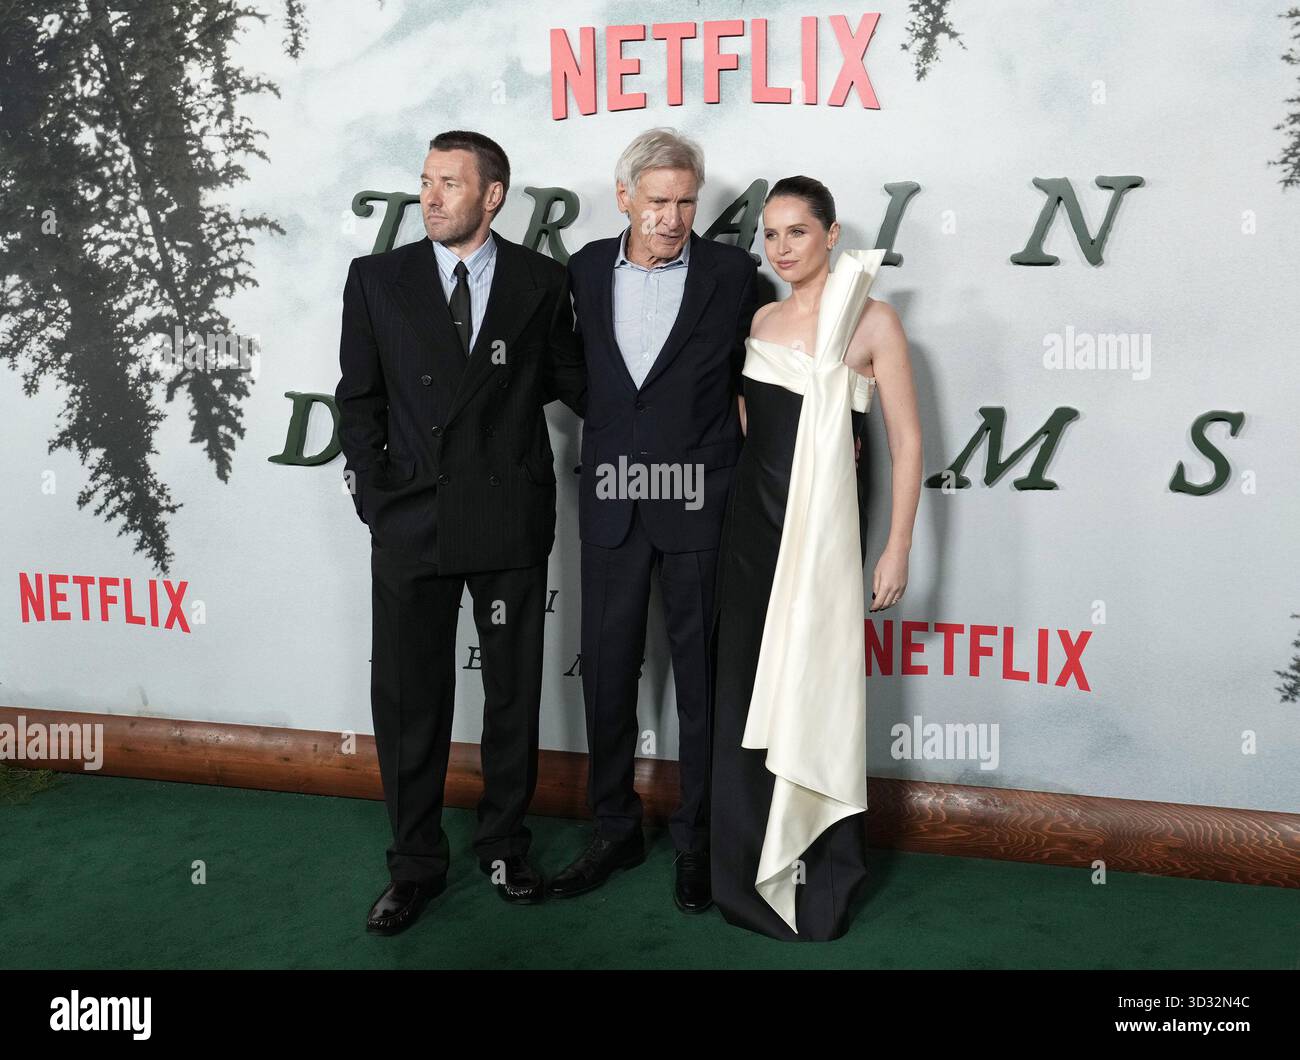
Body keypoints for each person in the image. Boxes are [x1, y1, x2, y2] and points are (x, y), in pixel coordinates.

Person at [334, 130, 585, 935]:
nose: (431, 197)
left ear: (493, 195)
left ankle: (505, 848)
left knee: (512, 696)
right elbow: (358, 400)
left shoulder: (542, 281)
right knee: (409, 700)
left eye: (449, 182)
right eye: (425, 181)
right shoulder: (377, 278)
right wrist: (376, 497)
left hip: (508, 516)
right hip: (411, 522)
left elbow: (577, 382)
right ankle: (413, 866)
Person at [545, 128, 759, 912]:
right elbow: (567, 359)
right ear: (624, 197)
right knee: (606, 673)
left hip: (700, 500)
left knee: (702, 682)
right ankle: (615, 829)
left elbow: (758, 373)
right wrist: (611, 418)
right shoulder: (585, 268)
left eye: (686, 202)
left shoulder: (734, 275)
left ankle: (698, 841)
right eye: (658, 201)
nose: (671, 218)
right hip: (611, 498)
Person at [709, 176, 922, 941]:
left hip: (826, 542)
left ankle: (817, 877)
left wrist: (895, 547)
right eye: (769, 234)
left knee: (816, 688)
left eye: (796, 231)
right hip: (751, 538)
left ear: (831, 235)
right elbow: (752, 425)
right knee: (746, 692)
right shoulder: (761, 320)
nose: (780, 248)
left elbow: (907, 442)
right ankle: (744, 874)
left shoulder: (873, 321)